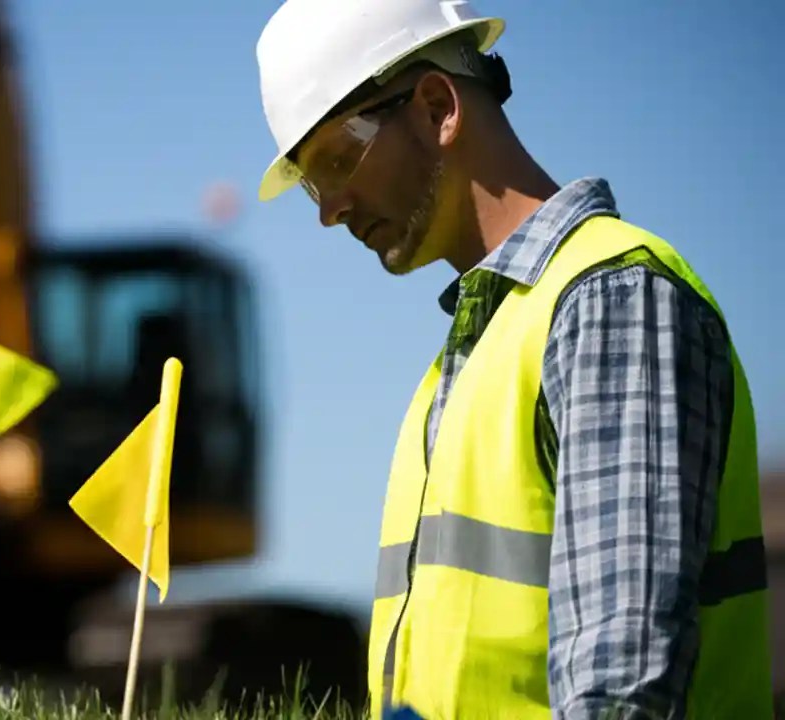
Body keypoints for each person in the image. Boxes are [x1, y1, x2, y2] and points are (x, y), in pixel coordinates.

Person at [252, 1, 774, 718]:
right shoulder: (465, 362)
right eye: (312, 182)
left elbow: (621, 690)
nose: (329, 208)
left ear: (438, 106)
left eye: (339, 159)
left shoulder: (609, 301)